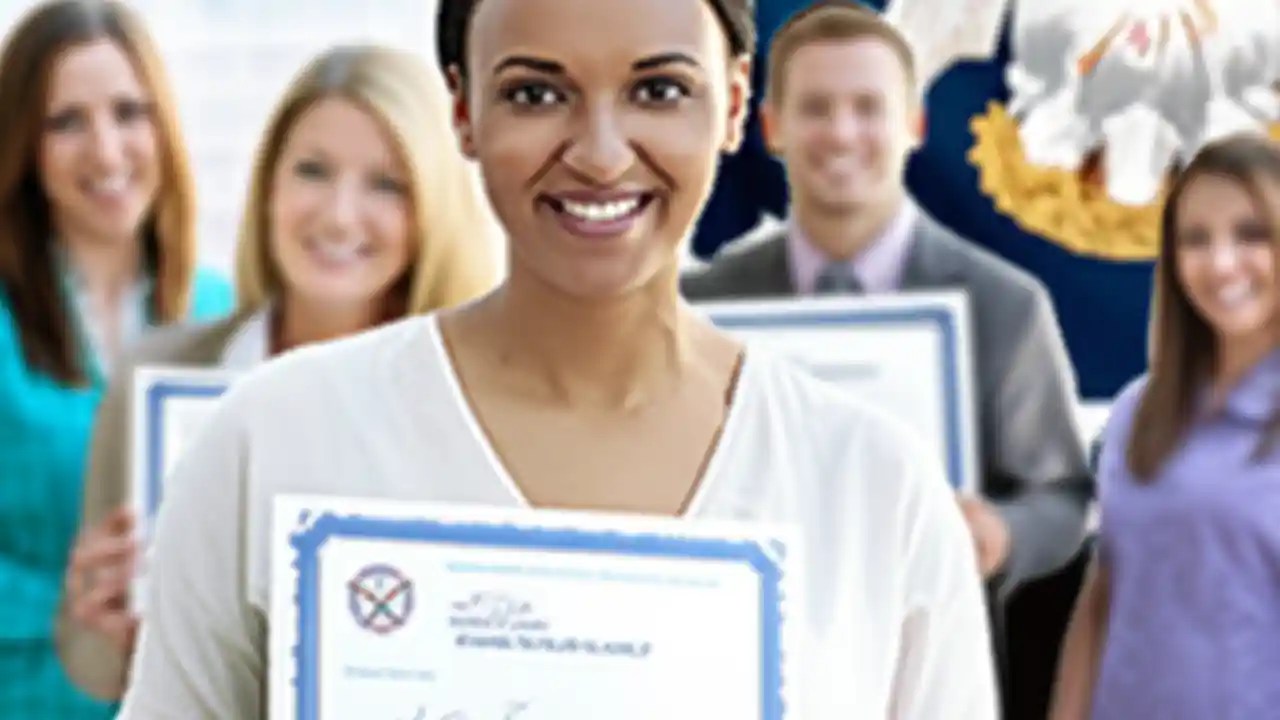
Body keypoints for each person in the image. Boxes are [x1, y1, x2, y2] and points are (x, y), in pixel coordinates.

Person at [117, 0, 998, 717]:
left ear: (734, 105)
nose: (601, 154)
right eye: (537, 95)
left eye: (659, 90)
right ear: (461, 110)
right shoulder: (271, 441)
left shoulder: (876, 490)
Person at [54, 44, 500, 701]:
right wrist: (98, 623)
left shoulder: (477, 401)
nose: (339, 214)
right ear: (269, 187)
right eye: (312, 171)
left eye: (387, 184)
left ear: (432, 210)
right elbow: (98, 675)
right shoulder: (161, 374)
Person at [680, 0, 1091, 701]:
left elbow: (1063, 500)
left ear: (914, 125)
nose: (842, 132)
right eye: (815, 108)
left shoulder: (1004, 303)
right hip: (744, 675)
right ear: (772, 128)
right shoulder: (709, 306)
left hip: (932, 672)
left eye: (869, 107)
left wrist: (1001, 534)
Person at [0, 0, 234, 716]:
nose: (106, 152)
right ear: (22, 146)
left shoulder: (222, 308)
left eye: (129, 113)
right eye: (66, 121)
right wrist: (68, 602)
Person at [1050, 134, 1280, 720]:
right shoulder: (1136, 411)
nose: (1221, 262)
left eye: (1251, 234)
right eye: (1195, 239)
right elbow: (1104, 598)